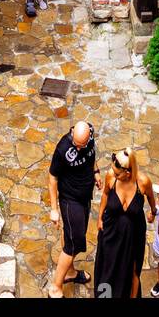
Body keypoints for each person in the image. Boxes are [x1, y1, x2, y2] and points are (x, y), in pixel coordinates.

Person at [94, 147, 155, 299]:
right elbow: (105, 196)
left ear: (127, 172)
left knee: (133, 270)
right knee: (107, 268)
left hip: (133, 233)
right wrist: (100, 218)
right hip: (111, 230)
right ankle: (105, 297)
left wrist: (153, 212)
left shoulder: (143, 182)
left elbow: (152, 199)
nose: (113, 174)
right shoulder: (111, 177)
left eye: (117, 173)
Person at [47, 120, 100, 297]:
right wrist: (54, 209)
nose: (78, 149)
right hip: (70, 200)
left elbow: (92, 157)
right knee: (73, 243)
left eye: (82, 145)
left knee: (72, 234)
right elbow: (53, 178)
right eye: (76, 145)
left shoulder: (90, 137)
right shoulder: (63, 148)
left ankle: (70, 272)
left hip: (85, 197)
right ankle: (55, 287)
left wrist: (96, 172)